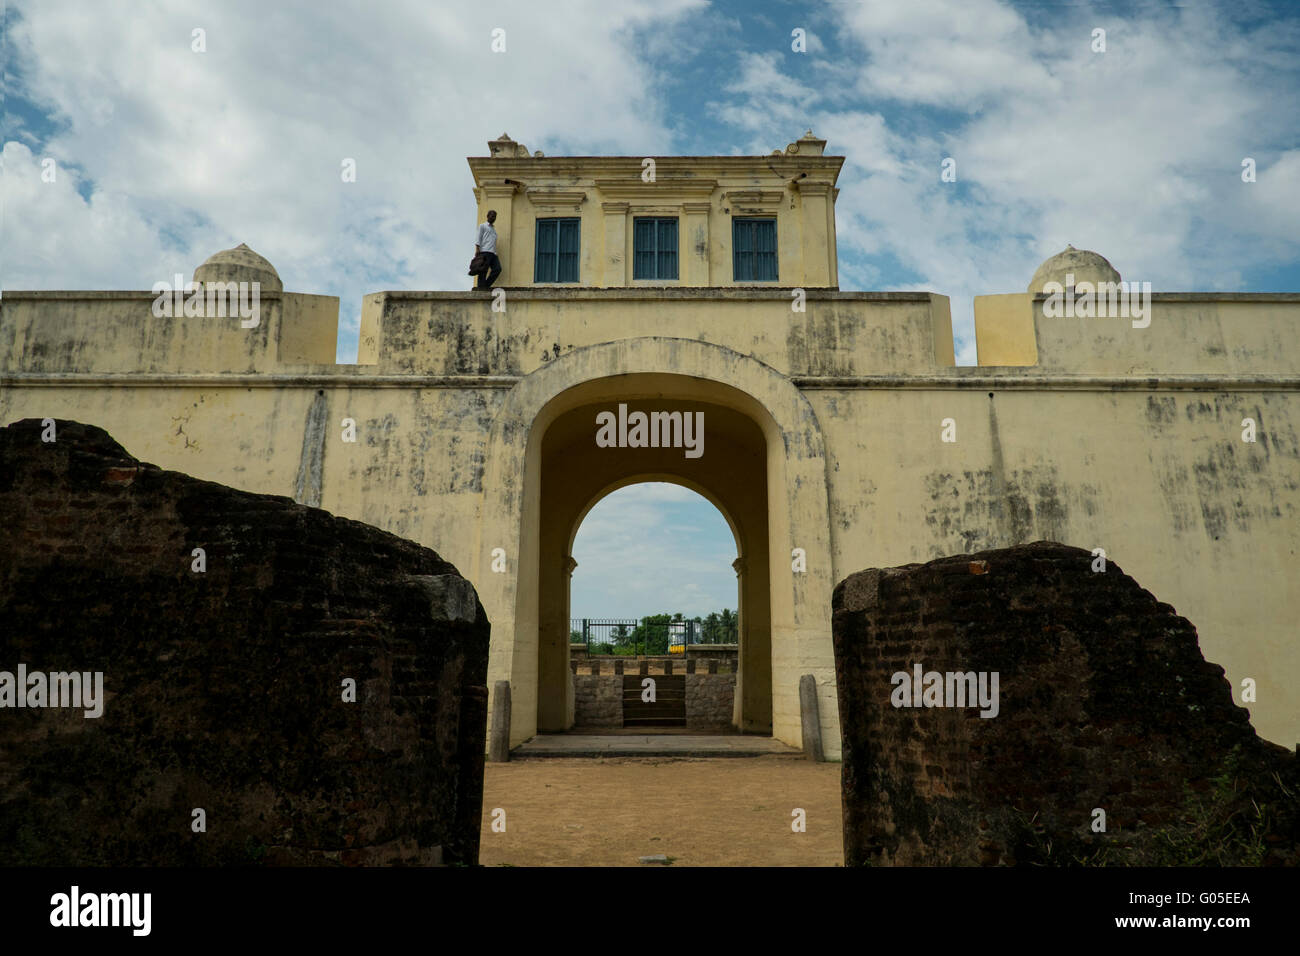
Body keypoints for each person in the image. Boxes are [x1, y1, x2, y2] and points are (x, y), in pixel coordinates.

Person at [473, 210, 502, 290]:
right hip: (484, 251)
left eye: (495, 217)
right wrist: (477, 249)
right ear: (488, 216)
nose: (493, 218)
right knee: (483, 271)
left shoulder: (493, 230)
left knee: (497, 269)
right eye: (492, 216)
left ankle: (485, 285)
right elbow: (478, 237)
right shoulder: (482, 226)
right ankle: (481, 288)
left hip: (493, 253)